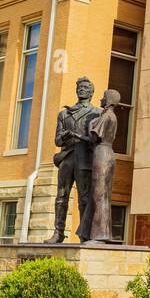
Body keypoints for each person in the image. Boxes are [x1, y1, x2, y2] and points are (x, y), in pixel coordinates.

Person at [45, 77, 100, 243]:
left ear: (91, 92)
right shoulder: (64, 114)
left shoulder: (96, 113)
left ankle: (85, 234)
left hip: (84, 160)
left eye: (85, 87)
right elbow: (57, 141)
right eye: (79, 87)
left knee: (84, 198)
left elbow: (96, 139)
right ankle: (58, 232)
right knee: (61, 196)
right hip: (67, 159)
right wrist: (64, 136)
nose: (81, 89)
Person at [78, 89, 120, 243]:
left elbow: (94, 136)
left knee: (99, 194)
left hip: (102, 153)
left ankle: (100, 235)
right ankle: (91, 232)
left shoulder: (107, 116)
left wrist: (85, 128)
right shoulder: (112, 117)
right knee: (100, 194)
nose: (101, 99)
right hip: (107, 153)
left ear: (108, 101)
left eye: (103, 98)